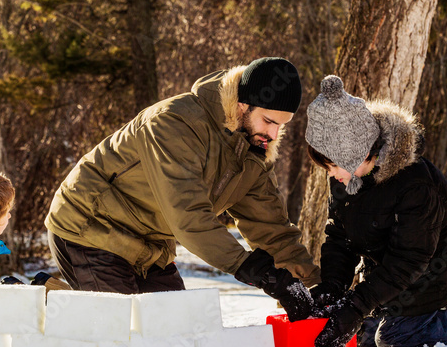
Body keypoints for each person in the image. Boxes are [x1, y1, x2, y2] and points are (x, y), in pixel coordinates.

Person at [45, 57, 319, 320]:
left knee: (175, 331)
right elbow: (189, 216)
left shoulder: (253, 150)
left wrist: (315, 288)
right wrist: (250, 268)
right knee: (124, 334)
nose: (272, 134)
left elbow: (271, 228)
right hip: (91, 227)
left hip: (150, 246)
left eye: (281, 126)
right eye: (269, 121)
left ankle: (71, 300)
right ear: (241, 105)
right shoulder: (174, 123)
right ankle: (46, 303)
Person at [303, 75, 447, 347]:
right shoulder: (344, 179)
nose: (331, 174)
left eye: (334, 165)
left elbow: (410, 258)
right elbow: (339, 236)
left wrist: (357, 305)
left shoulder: (417, 183)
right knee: (358, 334)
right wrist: (333, 288)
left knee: (395, 337)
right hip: (384, 275)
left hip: (428, 273)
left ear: (360, 154)